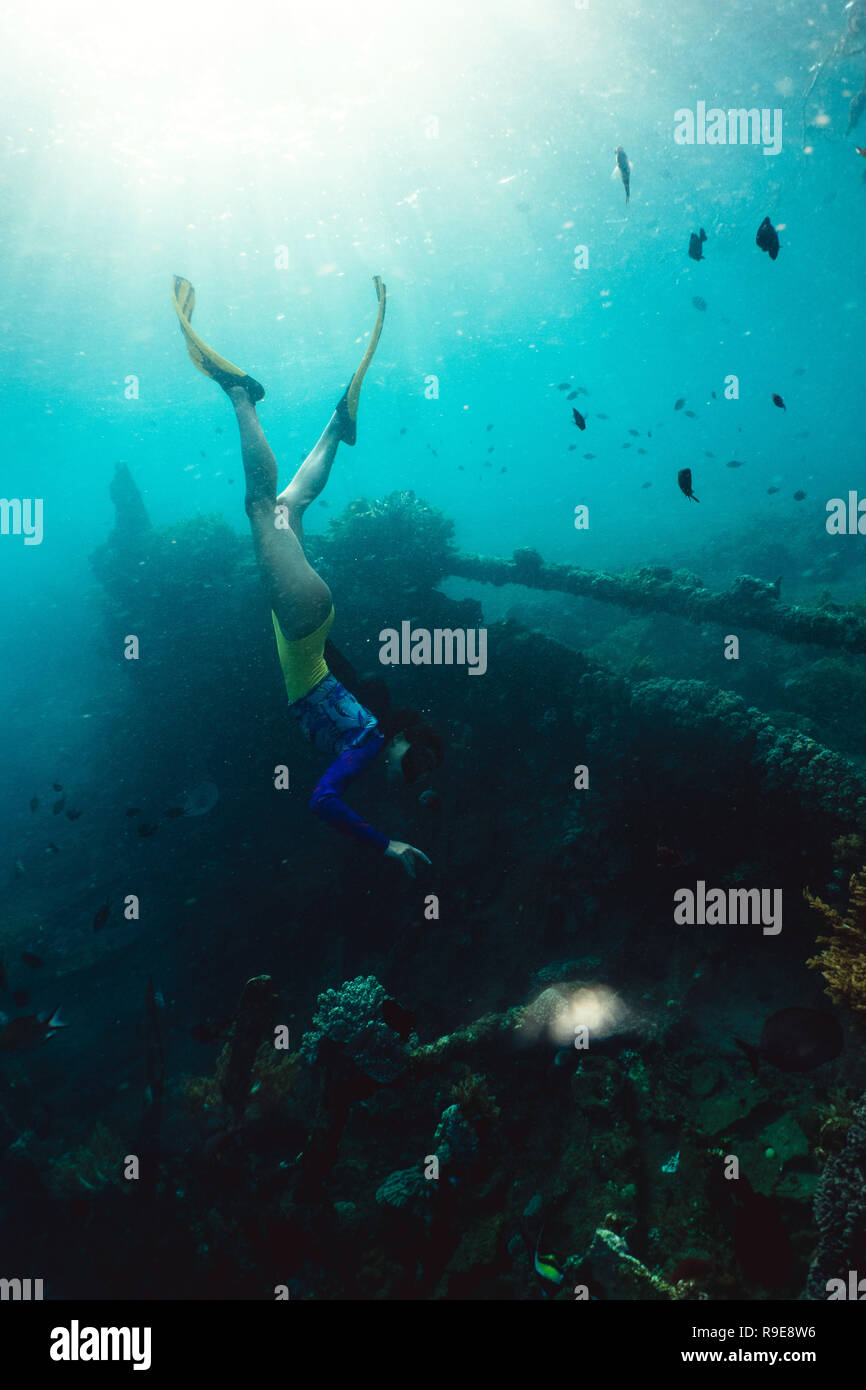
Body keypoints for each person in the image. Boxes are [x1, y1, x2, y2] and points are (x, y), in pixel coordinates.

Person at [171, 275, 441, 877]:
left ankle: (335, 427)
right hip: (300, 624)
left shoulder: (373, 721)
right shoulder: (369, 743)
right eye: (414, 764)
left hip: (310, 621)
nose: (408, 777)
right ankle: (242, 395)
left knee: (288, 508)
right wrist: (386, 845)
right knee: (262, 504)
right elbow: (321, 800)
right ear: (402, 743)